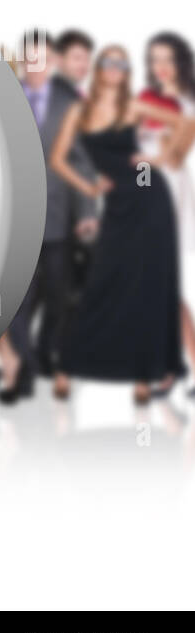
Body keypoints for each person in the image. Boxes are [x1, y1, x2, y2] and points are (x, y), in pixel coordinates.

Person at [51, 45, 195, 403]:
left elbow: (184, 123)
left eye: (122, 63)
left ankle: (143, 375)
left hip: (150, 200)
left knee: (148, 287)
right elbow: (58, 159)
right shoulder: (79, 110)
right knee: (100, 282)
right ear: (99, 68)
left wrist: (160, 157)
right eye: (109, 62)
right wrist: (89, 187)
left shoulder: (132, 106)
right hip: (117, 205)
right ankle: (67, 367)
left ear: (127, 71)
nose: (115, 67)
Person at [4, 31, 100, 400]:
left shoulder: (68, 102)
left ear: (54, 62)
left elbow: (80, 160)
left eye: (42, 59)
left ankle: (45, 352)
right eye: (29, 59)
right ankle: (25, 367)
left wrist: (87, 211)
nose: (35, 66)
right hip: (15, 220)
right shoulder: (4, 95)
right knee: (17, 301)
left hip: (59, 218)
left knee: (59, 298)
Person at [138, 32, 195, 391]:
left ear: (180, 62)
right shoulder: (147, 98)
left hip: (169, 194)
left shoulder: (187, 103)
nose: (160, 66)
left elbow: (174, 156)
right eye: (154, 58)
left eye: (168, 59)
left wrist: (152, 144)